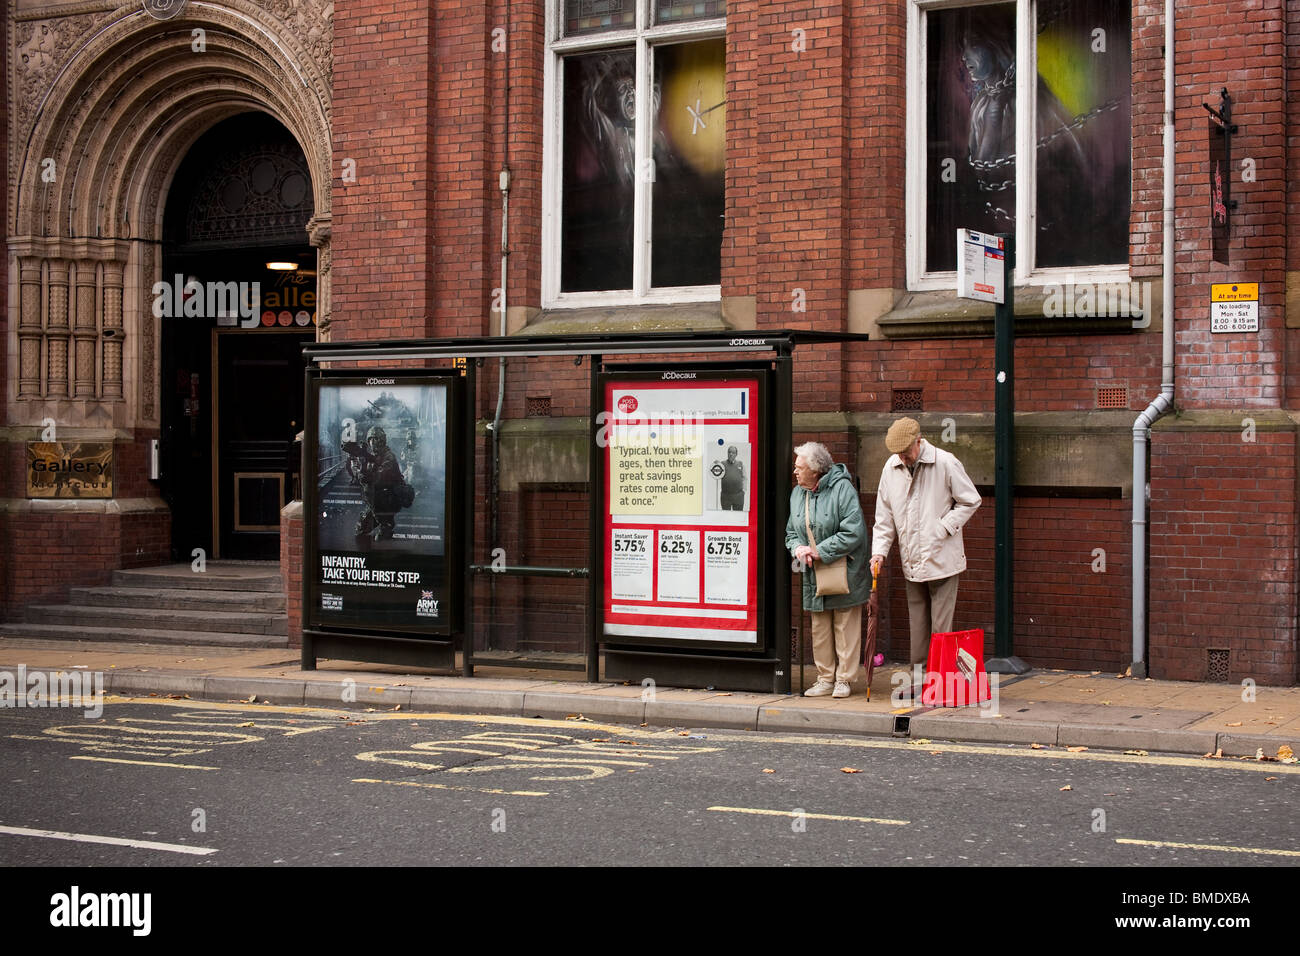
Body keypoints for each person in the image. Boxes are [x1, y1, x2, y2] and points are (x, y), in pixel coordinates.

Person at [870, 418, 981, 698]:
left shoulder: (945, 462)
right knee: (917, 626)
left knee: (941, 628)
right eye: (898, 453)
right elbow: (884, 518)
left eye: (906, 450)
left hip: (943, 559)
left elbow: (971, 500)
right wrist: (878, 553)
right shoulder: (891, 468)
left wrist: (944, 527)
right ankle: (919, 681)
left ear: (919, 440)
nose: (902, 457)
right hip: (912, 561)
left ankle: (941, 683)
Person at [786, 441, 870, 699]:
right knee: (820, 626)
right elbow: (791, 531)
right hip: (813, 570)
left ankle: (844, 679)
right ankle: (824, 679)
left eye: (800, 467)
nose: (795, 472)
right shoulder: (798, 493)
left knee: (845, 623)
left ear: (815, 470)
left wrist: (820, 550)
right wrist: (798, 549)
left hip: (843, 567)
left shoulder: (842, 489)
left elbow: (853, 531)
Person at [719, 445, 745, 511]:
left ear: (736, 454)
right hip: (725, 496)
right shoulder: (722, 464)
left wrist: (744, 491)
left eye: (733, 453)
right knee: (726, 517)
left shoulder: (740, 464)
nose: (731, 454)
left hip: (738, 496)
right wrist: (715, 464)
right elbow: (715, 472)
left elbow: (745, 477)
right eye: (729, 452)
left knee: (738, 517)